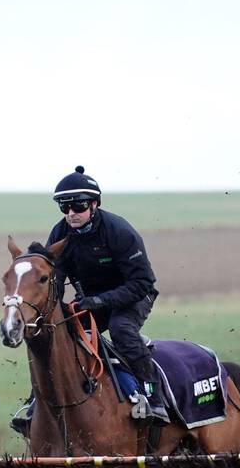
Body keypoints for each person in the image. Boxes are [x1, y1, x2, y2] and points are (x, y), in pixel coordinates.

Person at [11, 166, 169, 435]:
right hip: (91, 302)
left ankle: (154, 397)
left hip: (133, 297)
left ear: (94, 204)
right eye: (64, 207)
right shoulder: (60, 234)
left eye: (78, 206)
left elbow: (143, 283)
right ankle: (37, 400)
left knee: (121, 330)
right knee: (57, 334)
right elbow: (54, 281)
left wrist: (101, 300)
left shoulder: (119, 232)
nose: (71, 213)